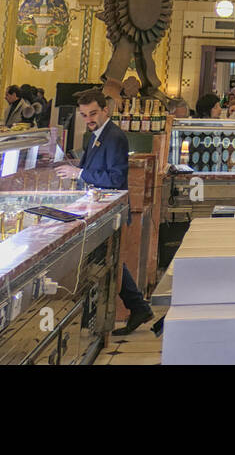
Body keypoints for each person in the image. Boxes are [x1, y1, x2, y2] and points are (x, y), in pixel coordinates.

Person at [54, 88, 155, 334]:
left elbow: (116, 177)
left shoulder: (115, 136)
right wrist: (75, 167)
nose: (89, 119)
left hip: (111, 209)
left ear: (105, 110)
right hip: (98, 207)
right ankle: (135, 308)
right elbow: (93, 167)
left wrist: (79, 173)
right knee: (108, 261)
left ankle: (121, 312)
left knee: (107, 261)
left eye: (93, 113)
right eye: (84, 115)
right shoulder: (96, 135)